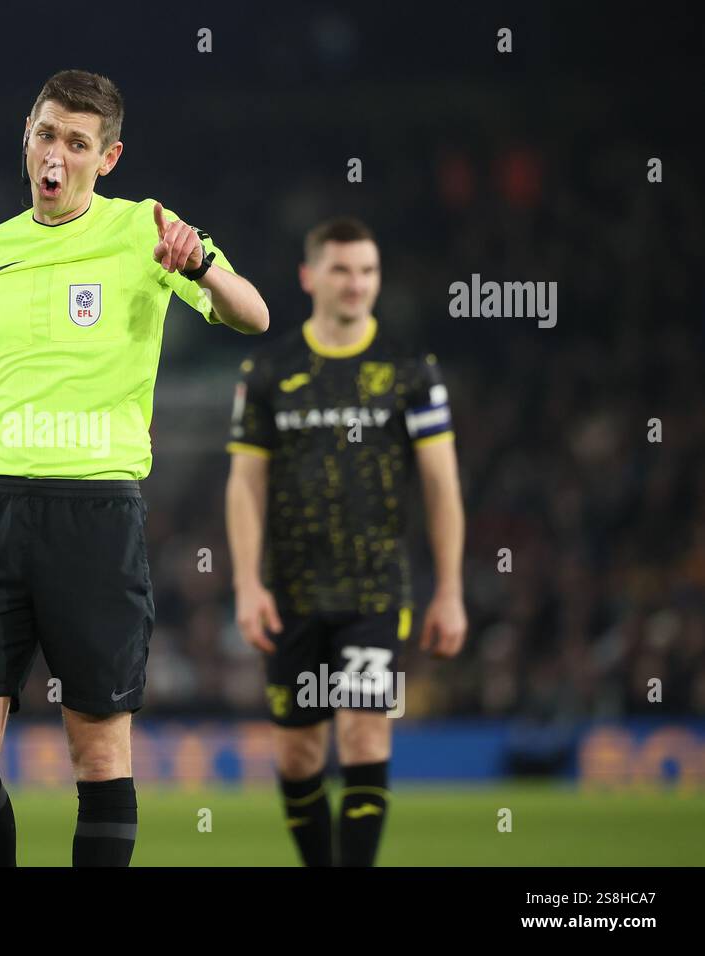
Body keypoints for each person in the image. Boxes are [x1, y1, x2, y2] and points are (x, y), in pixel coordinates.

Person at [0, 69, 269, 867]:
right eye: (46, 134)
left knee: (98, 757)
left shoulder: (147, 232)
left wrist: (200, 269)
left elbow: (251, 314)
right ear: (27, 137)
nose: (57, 154)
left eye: (77, 143)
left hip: (96, 515)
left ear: (107, 158)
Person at [226, 216, 467, 866]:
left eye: (367, 270)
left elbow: (441, 485)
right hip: (293, 593)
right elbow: (245, 483)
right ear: (310, 277)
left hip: (375, 591)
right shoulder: (270, 371)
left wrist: (450, 591)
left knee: (364, 739)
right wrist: (247, 586)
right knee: (299, 754)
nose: (356, 283)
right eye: (341, 269)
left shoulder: (411, 372)